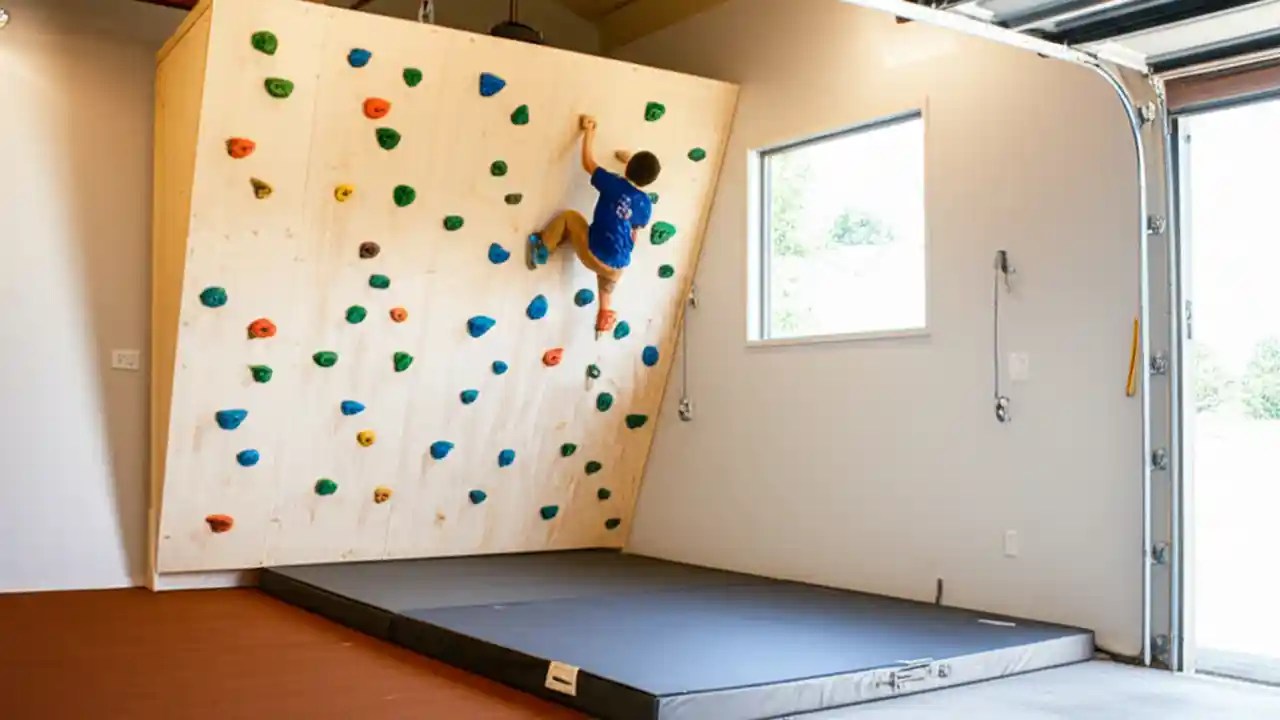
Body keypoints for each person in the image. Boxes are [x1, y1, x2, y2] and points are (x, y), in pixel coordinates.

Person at [528, 115, 661, 333]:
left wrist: (589, 132)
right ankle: (605, 310)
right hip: (620, 265)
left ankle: (542, 249)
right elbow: (635, 230)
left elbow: (588, 163)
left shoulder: (613, 184)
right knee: (608, 269)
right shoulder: (645, 204)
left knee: (570, 217)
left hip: (594, 252)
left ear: (628, 168)